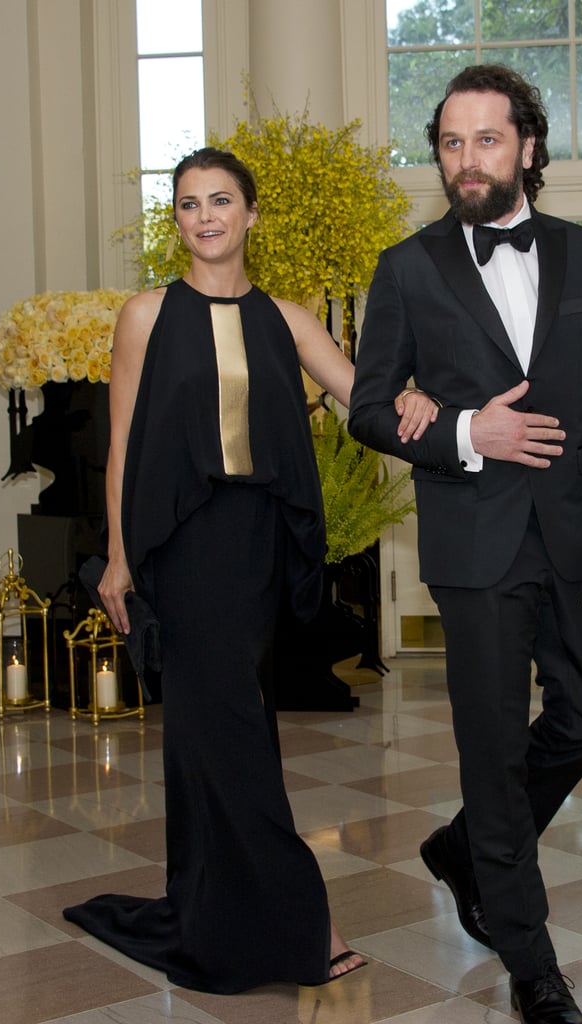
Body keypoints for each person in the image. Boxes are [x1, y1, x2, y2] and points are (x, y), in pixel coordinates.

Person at [63, 146, 437, 993]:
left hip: (257, 547)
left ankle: (213, 913)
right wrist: (117, 556)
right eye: (189, 203)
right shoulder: (145, 315)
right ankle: (303, 920)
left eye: (220, 200)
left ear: (250, 214)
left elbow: (364, 399)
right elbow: (121, 444)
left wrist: (413, 396)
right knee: (225, 731)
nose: (205, 216)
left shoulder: (287, 319)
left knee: (225, 735)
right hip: (181, 550)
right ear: (177, 220)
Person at [348, 65, 582, 1024]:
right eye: (451, 142)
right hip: (473, 541)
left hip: (578, 535)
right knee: (490, 750)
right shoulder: (406, 268)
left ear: (526, 144)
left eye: (485, 139)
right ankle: (533, 964)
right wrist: (463, 431)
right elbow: (367, 408)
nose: (467, 159)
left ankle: (463, 848)